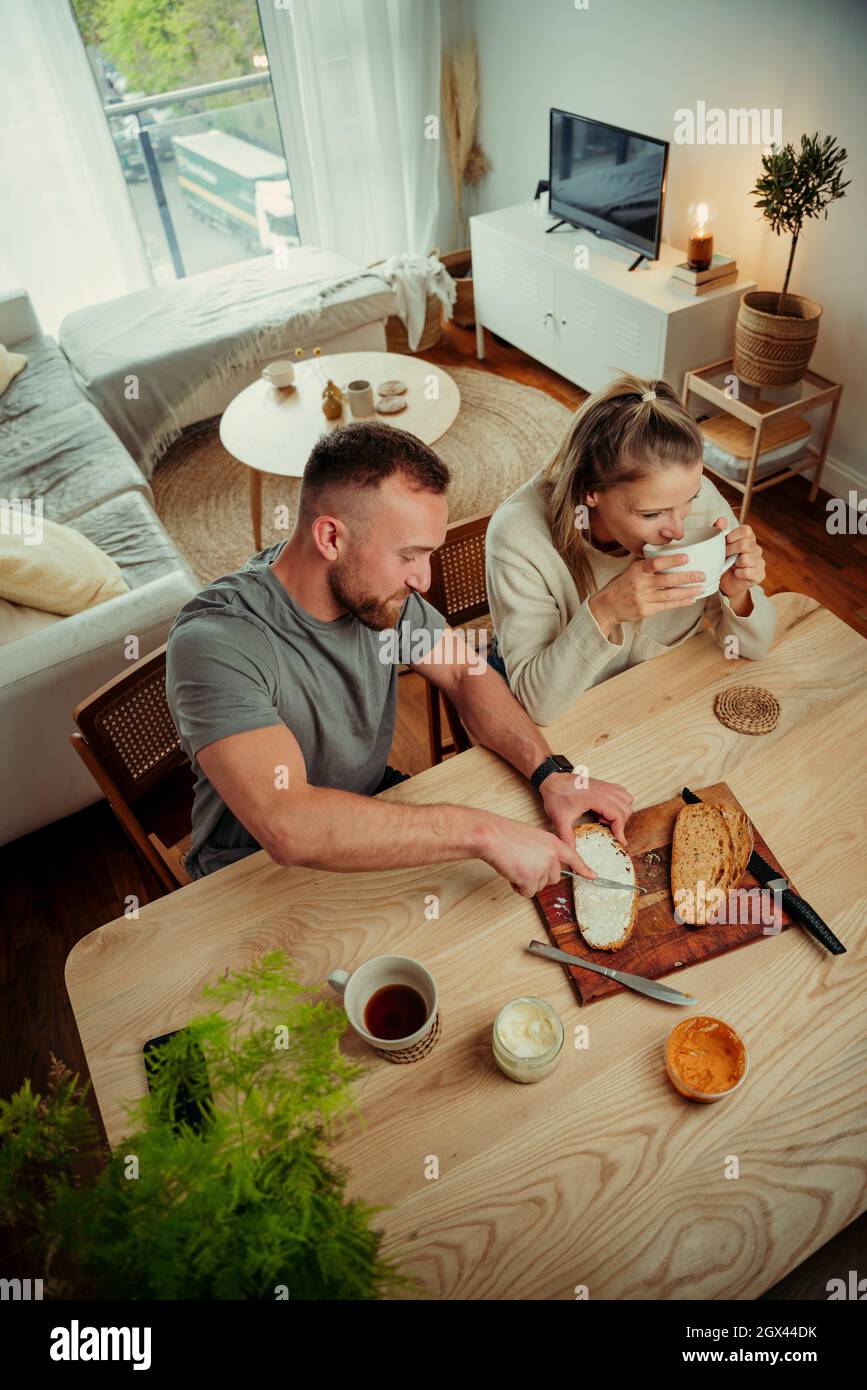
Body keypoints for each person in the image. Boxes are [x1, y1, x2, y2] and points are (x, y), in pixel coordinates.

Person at [165, 421, 633, 898]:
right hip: (252, 873)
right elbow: (289, 825)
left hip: (374, 806)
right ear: (330, 537)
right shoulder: (217, 643)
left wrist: (549, 772)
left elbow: (463, 672)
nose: (423, 581)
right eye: (409, 555)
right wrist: (483, 833)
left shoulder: (378, 595)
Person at [485, 373, 776, 725]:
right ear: (590, 491)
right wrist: (605, 611)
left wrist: (738, 594)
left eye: (690, 499)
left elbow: (755, 649)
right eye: (651, 514)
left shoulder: (691, 502)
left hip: (658, 704)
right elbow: (539, 706)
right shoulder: (519, 538)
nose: (677, 529)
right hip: (568, 714)